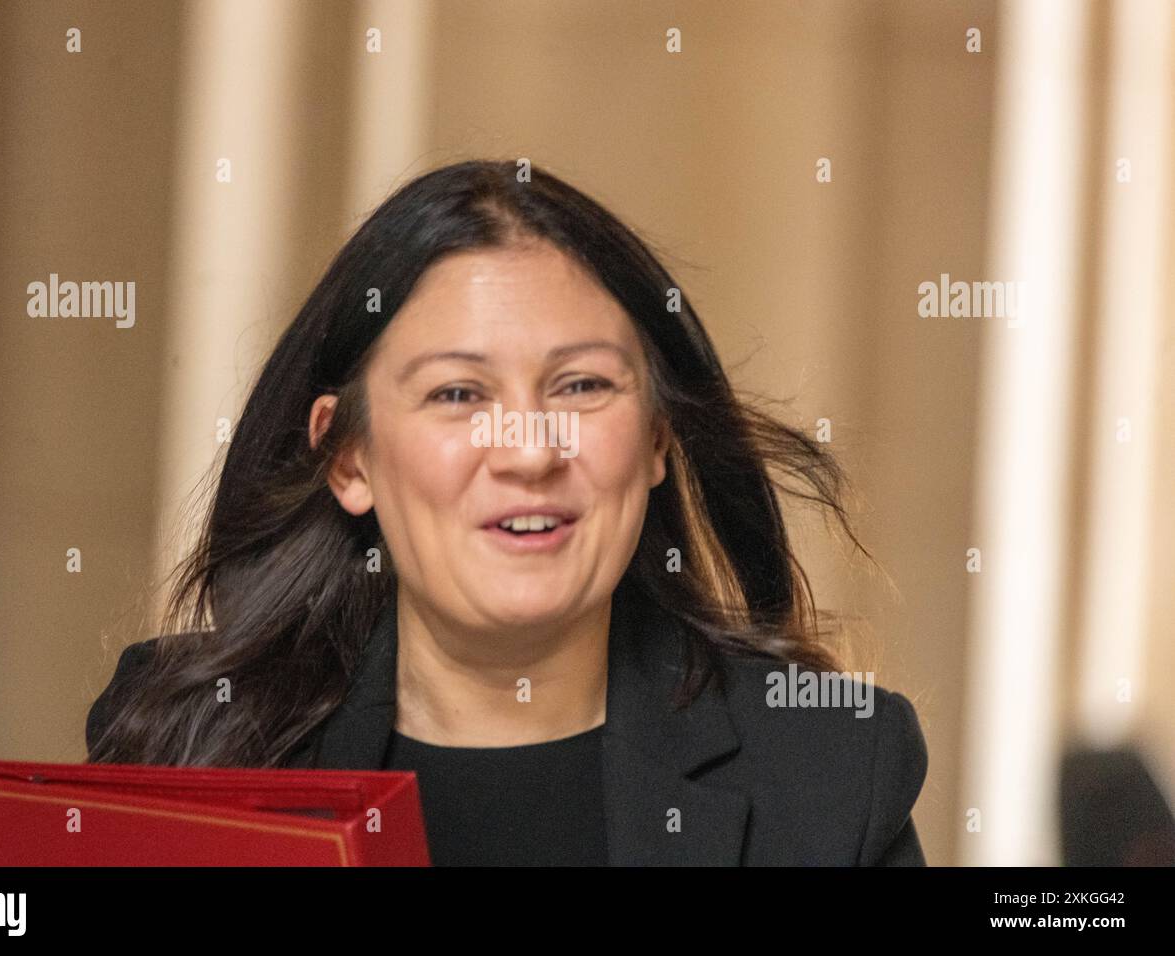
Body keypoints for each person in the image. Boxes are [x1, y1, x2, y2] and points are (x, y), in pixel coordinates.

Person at [86, 158, 928, 866]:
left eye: (583, 386)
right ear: (349, 459)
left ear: (657, 440)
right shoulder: (189, 745)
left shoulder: (827, 776)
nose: (531, 451)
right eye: (459, 393)